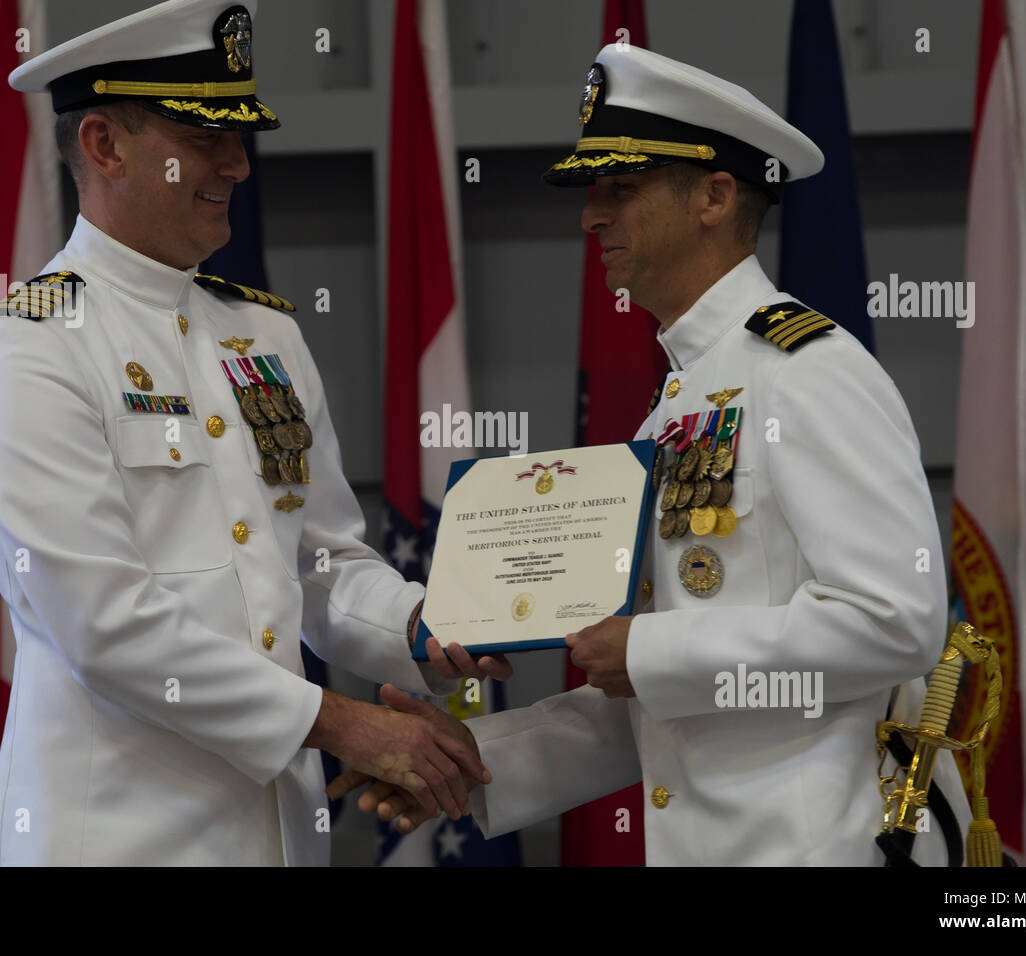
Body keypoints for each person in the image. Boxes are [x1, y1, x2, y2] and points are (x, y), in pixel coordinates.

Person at [332, 44, 971, 865]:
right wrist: (469, 763)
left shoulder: (810, 372)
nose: (592, 216)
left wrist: (647, 650)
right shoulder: (680, 401)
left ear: (714, 196)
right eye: (593, 191)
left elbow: (896, 623)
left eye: (620, 189)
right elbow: (667, 696)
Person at [0, 0, 505, 866]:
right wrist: (343, 723)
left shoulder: (264, 336)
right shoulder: (26, 350)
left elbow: (319, 567)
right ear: (104, 146)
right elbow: (106, 626)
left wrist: (427, 625)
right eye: (204, 137)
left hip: (281, 837)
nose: (238, 165)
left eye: (239, 136)